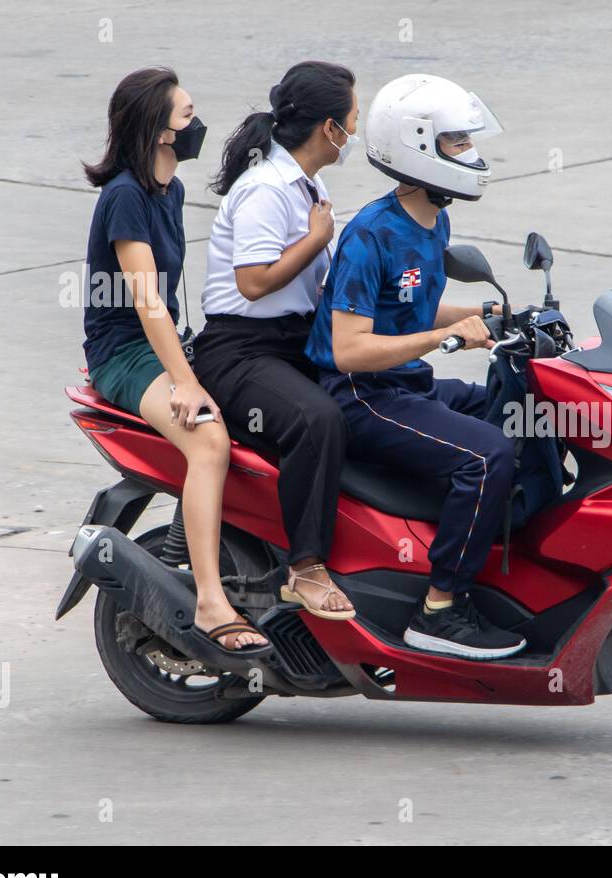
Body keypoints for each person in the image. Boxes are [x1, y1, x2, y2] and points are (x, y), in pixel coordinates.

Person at [304, 74, 525, 660]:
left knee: (525, 413)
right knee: (487, 455)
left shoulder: (434, 219)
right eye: (454, 143)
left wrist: (488, 312)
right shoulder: (370, 236)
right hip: (364, 395)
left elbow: (414, 308)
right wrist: (443, 335)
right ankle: (441, 609)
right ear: (418, 145)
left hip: (406, 384)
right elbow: (350, 348)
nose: (468, 154)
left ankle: (507, 564)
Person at [82, 68, 267, 651]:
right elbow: (147, 303)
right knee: (208, 440)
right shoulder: (126, 198)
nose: (198, 125)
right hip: (124, 354)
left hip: (166, 343)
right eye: (187, 116)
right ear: (160, 132)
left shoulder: (172, 191)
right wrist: (185, 384)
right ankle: (211, 603)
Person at [195, 62, 360, 621]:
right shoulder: (267, 188)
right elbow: (254, 281)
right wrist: (317, 239)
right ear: (328, 128)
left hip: (294, 340)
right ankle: (306, 568)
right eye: (352, 118)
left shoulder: (308, 182)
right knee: (317, 419)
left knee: (377, 397)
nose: (356, 131)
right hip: (240, 350)